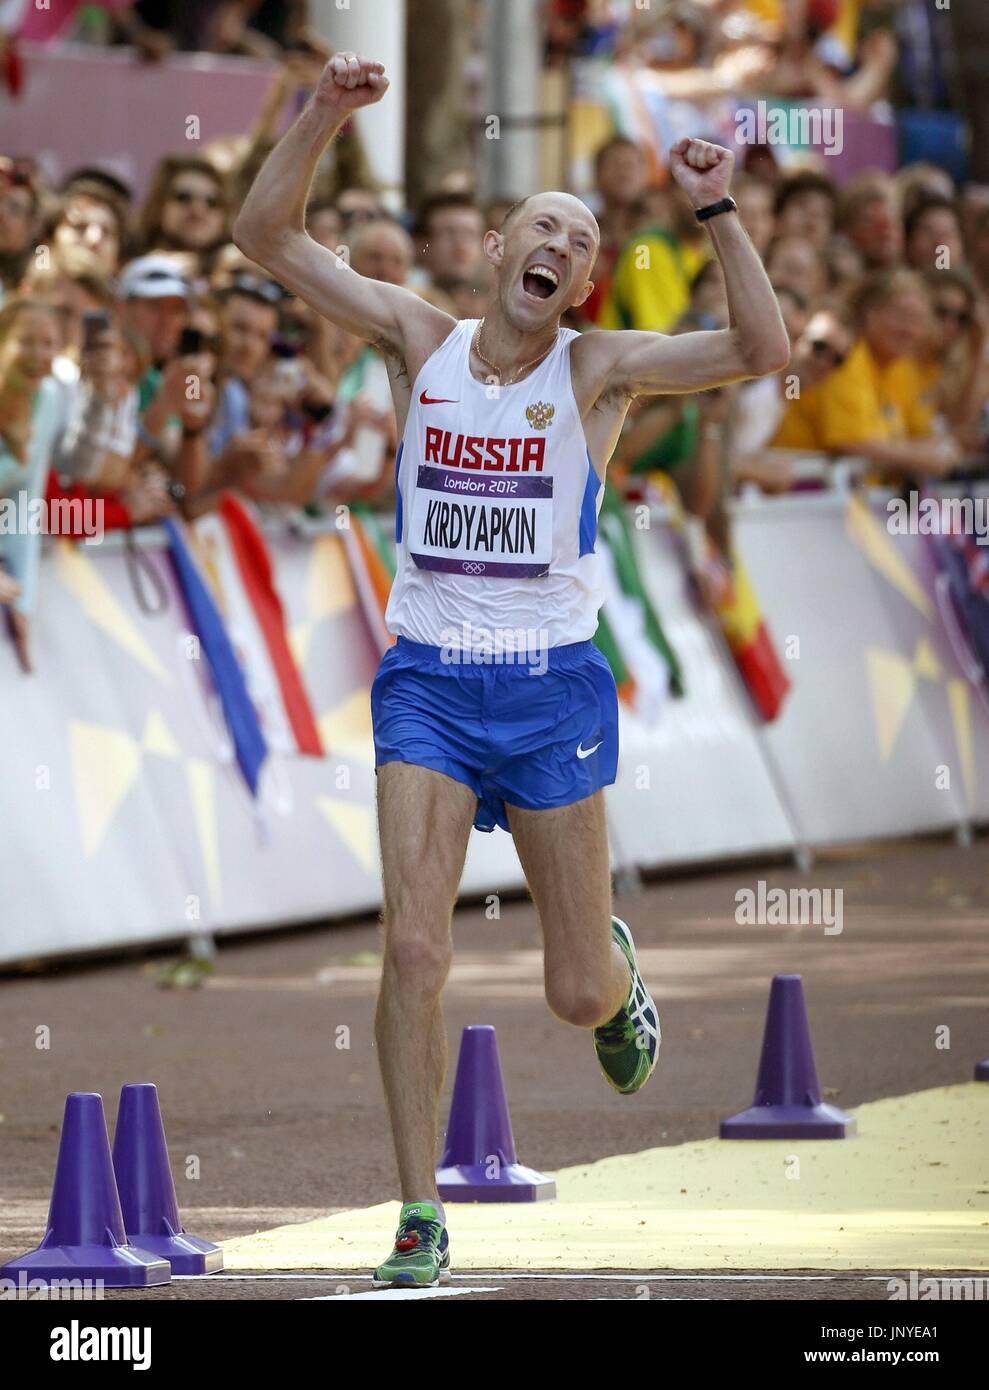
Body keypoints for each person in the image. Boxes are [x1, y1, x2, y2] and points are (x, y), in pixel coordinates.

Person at [234, 50, 788, 1291]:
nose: (560, 246)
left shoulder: (595, 372)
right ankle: (418, 1211)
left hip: (548, 693)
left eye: (579, 242)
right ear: (493, 249)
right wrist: (322, 111)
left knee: (574, 993)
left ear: (583, 284)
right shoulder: (413, 336)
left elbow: (761, 344)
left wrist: (713, 207)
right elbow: (265, 233)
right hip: (427, 680)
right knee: (414, 951)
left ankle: (613, 962)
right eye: (541, 225)